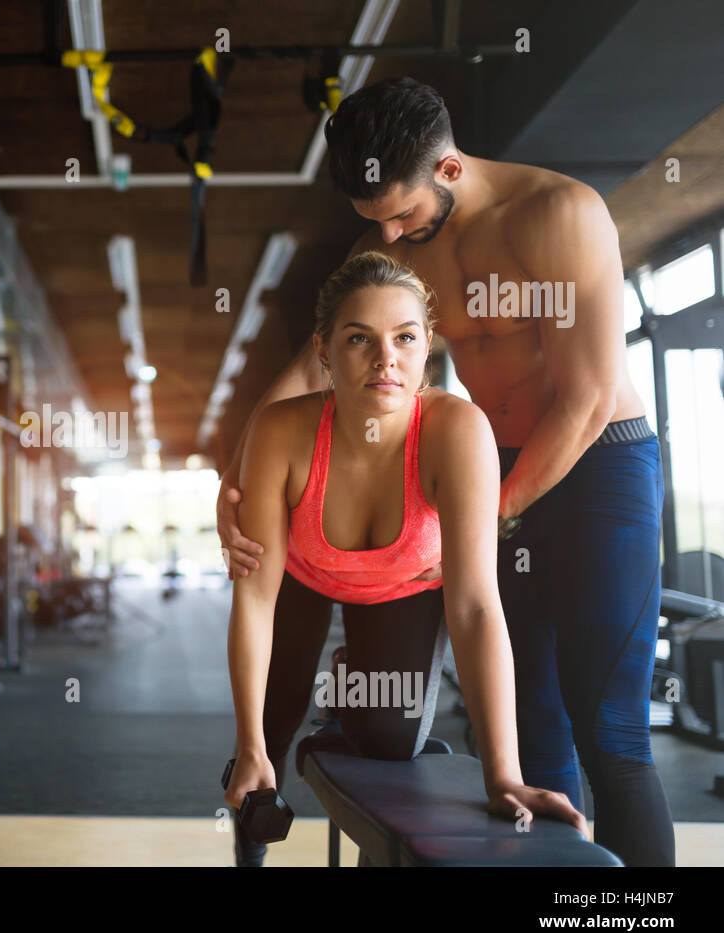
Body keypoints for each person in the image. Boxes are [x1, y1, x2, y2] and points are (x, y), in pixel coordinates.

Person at [219, 77, 673, 866]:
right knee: (531, 727)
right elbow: (310, 369)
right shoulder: (390, 246)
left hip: (598, 467)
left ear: (451, 170)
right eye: (374, 221)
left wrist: (484, 519)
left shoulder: (556, 216)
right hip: (489, 466)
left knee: (612, 729)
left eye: (403, 213)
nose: (390, 234)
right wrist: (234, 479)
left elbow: (589, 397)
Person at [225, 251, 586, 866]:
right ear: (325, 349)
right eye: (359, 337)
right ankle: (249, 855)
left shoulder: (458, 430)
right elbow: (255, 598)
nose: (384, 357)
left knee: (388, 740)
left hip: (402, 588)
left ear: (426, 349)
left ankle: (348, 685)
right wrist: (250, 740)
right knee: (274, 726)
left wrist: (503, 775)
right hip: (300, 577)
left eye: (405, 337)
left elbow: (473, 605)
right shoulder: (282, 431)